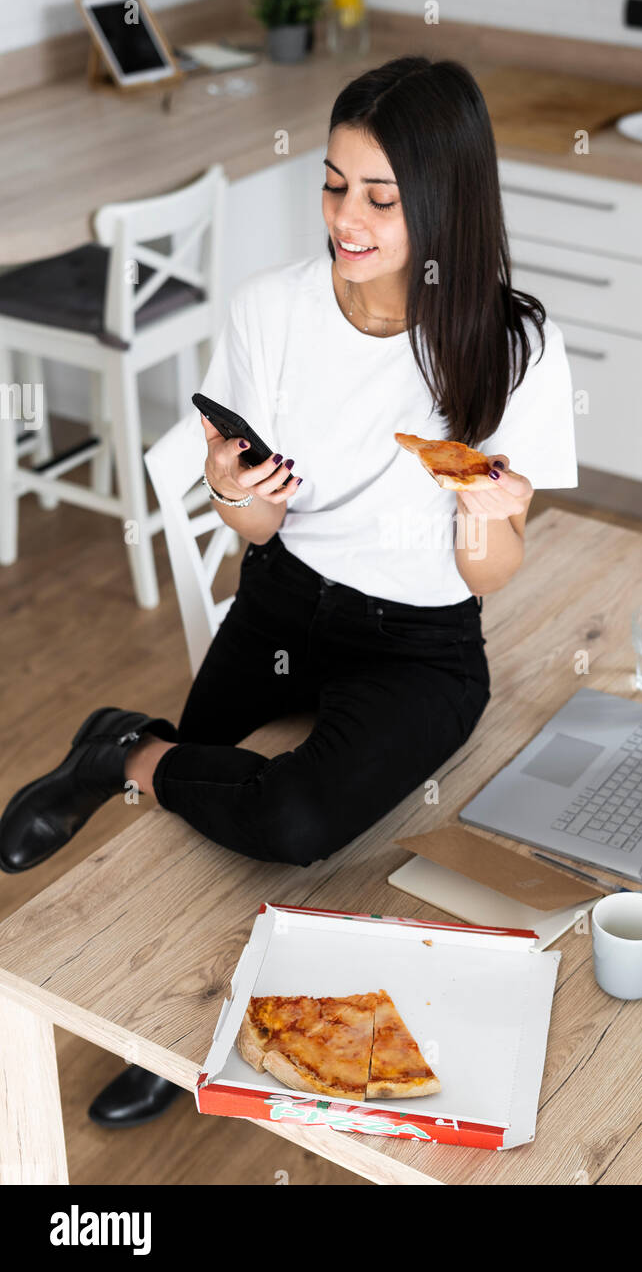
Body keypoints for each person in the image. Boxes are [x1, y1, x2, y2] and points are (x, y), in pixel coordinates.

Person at [0, 55, 577, 1127]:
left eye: (378, 197)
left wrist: (482, 521)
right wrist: (233, 496)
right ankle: (163, 1022)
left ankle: (122, 747)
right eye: (329, 184)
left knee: (300, 818)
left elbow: (492, 573)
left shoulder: (511, 344)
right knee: (185, 820)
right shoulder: (273, 311)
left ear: (442, 202)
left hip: (420, 644)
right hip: (282, 605)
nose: (344, 220)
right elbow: (259, 523)